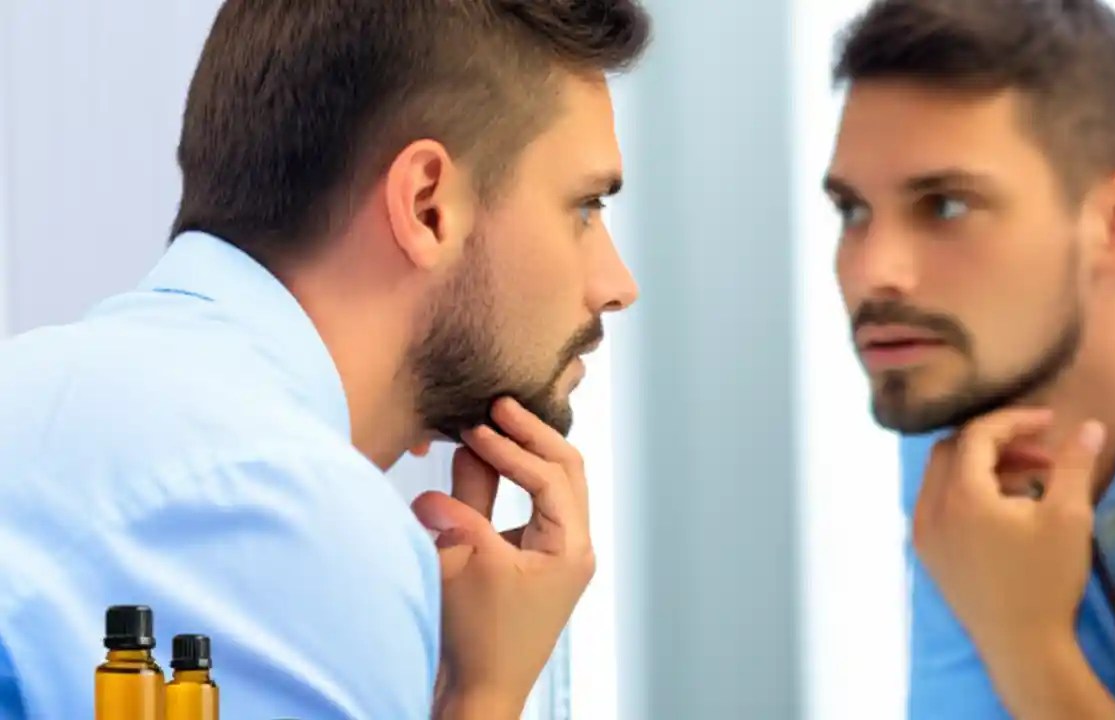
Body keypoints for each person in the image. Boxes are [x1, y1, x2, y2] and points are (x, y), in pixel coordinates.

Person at [0, 1, 649, 717]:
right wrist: (482, 697)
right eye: (585, 208)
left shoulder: (43, 394)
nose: (618, 287)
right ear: (429, 205)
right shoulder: (283, 513)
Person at [824, 0, 1115, 717]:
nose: (873, 270)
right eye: (852, 211)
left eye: (945, 206)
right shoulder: (967, 414)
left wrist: (1028, 648)